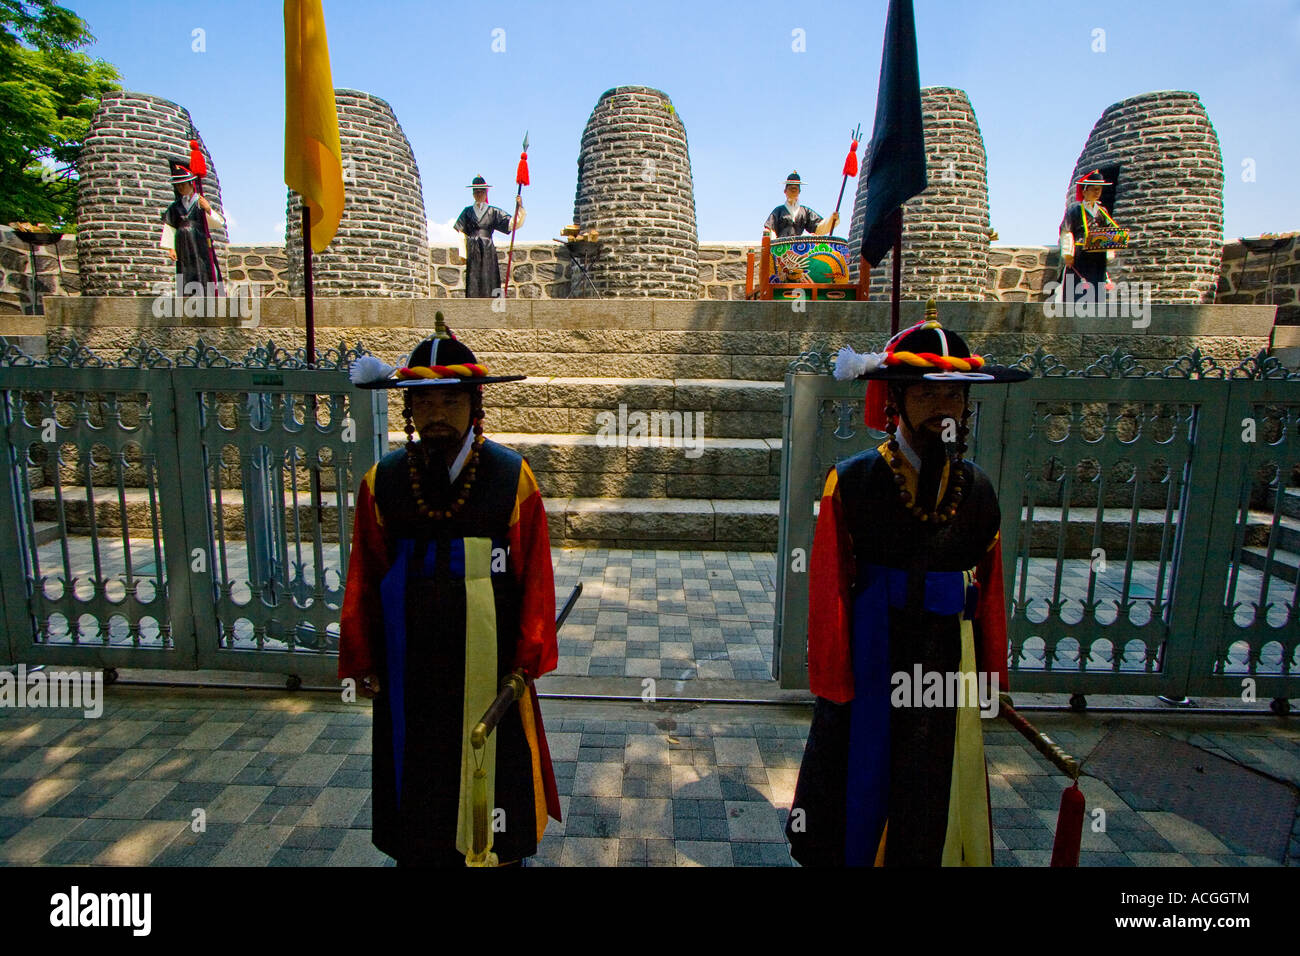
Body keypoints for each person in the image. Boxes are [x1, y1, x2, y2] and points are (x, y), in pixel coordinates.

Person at [785, 311, 1029, 867]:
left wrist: (991, 677)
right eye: (928, 393)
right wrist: (834, 679)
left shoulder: (980, 491)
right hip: (872, 656)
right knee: (856, 780)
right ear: (895, 397)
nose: (946, 409)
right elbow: (829, 592)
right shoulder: (852, 482)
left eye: (957, 396)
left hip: (946, 660)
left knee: (931, 782)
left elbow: (988, 592)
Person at [341, 316, 561, 867]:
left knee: (495, 768)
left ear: (474, 404)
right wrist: (362, 655)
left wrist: (529, 655)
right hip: (407, 666)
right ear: (408, 410)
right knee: (418, 774)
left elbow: (534, 573)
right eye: (423, 401)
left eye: (450, 400)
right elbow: (366, 572)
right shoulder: (383, 481)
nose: (436, 413)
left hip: (492, 668)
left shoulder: (513, 478)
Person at [159, 158, 223, 295]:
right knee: (186, 272)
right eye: (178, 186)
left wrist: (208, 209)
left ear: (190, 183)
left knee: (203, 271)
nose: (181, 188)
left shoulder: (200, 202)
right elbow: (170, 227)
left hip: (199, 244)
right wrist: (171, 248)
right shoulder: (175, 207)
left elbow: (217, 223)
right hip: (183, 246)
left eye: (183, 184)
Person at [1058, 167, 1123, 304]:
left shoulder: (1101, 211)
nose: (1097, 192)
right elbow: (1066, 230)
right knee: (1076, 289)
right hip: (1080, 255)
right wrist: (1068, 255)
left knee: (1095, 289)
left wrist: (1110, 248)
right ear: (1085, 191)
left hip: (1097, 256)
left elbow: (1110, 229)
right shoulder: (1075, 211)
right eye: (1094, 189)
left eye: (1099, 189)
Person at [454, 175, 525, 298]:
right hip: (473, 248)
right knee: (473, 279)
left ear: (486, 193)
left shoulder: (493, 212)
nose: (479, 194)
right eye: (476, 191)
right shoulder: (467, 211)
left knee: (489, 277)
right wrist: (463, 253)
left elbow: (511, 224)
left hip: (488, 248)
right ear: (473, 194)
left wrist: (519, 207)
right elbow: (461, 232)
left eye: (481, 191)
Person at [764, 170, 839, 239]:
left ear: (799, 191)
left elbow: (819, 228)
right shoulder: (778, 211)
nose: (793, 190)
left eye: (795, 189)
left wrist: (832, 219)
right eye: (791, 188)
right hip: (781, 248)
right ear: (785, 191)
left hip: (800, 248)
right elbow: (769, 230)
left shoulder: (805, 211)